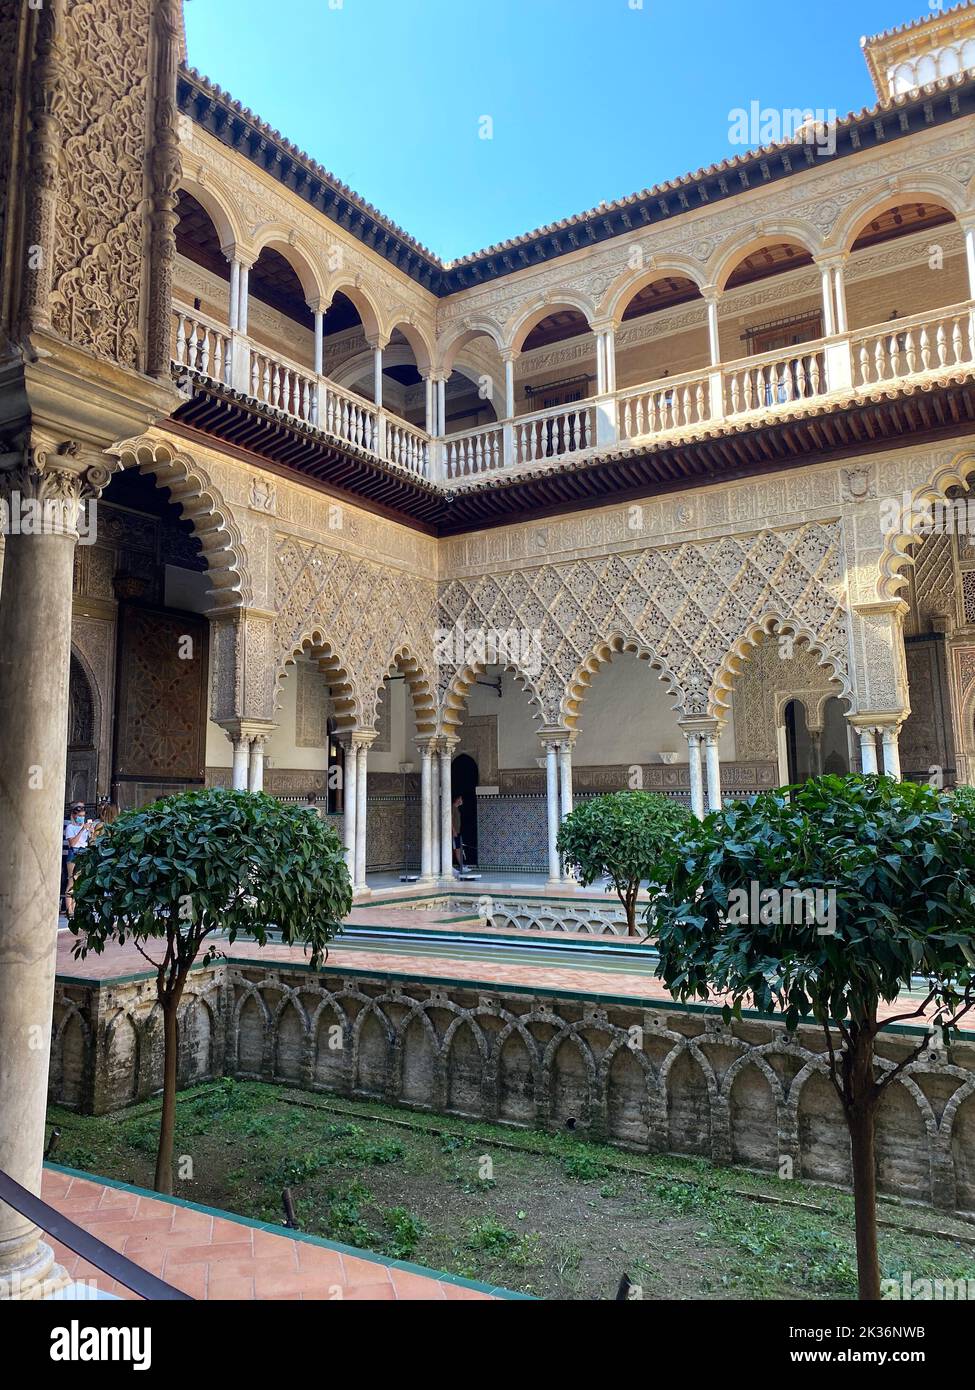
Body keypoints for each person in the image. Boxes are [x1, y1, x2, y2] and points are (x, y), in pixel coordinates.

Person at [63, 801, 96, 919]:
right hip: (74, 853)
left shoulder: (85, 827)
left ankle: (75, 907)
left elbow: (91, 841)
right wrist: (82, 830)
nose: (82, 818)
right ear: (74, 815)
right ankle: (69, 909)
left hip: (83, 853)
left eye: (83, 816)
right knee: (72, 881)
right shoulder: (70, 827)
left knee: (79, 883)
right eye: (80, 816)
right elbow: (72, 843)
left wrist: (91, 832)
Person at [451, 794, 464, 870]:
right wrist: (454, 831)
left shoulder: (457, 808)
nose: (461, 800)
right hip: (454, 833)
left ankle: (461, 866)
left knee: (458, 849)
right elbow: (450, 820)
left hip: (457, 832)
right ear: (456, 799)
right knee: (455, 849)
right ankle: (451, 866)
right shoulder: (452, 808)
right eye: (460, 798)